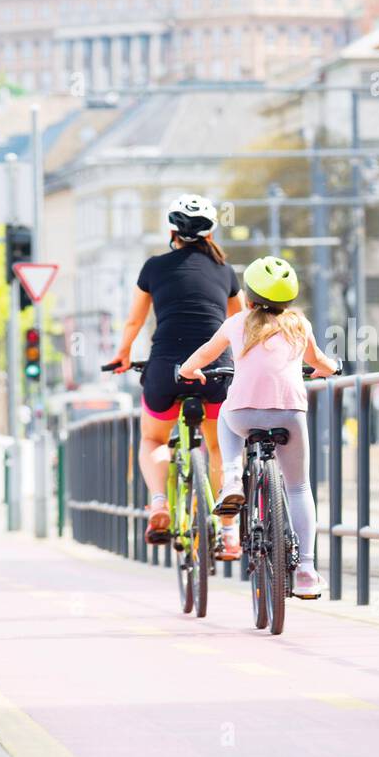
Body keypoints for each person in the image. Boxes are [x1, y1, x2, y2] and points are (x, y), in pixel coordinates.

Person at [177, 256, 339, 598]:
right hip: (289, 416)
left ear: (248, 298)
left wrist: (189, 371)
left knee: (224, 415)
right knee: (298, 488)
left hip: (243, 414)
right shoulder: (300, 325)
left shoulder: (237, 324)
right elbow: (319, 363)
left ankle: (233, 476)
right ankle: (307, 571)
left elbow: (206, 353)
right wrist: (332, 368)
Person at [109, 194, 244, 557]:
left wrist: (122, 355)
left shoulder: (154, 267)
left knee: (152, 440)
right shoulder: (226, 272)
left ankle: (158, 504)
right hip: (217, 370)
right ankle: (228, 533)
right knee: (219, 446)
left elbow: (135, 320)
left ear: (172, 230)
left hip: (166, 370)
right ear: (211, 232)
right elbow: (240, 324)